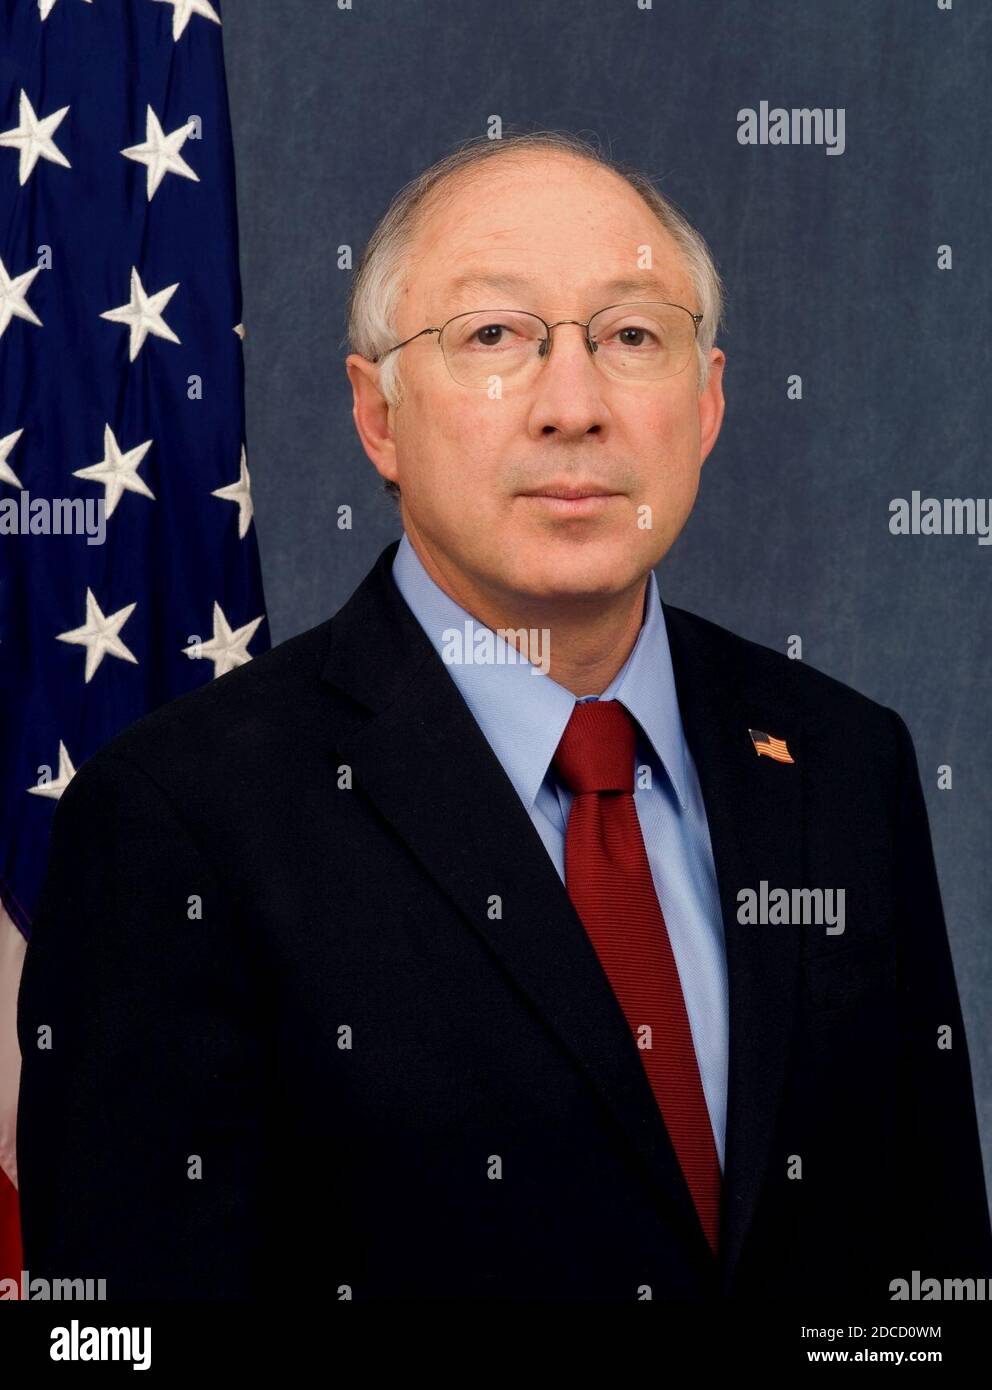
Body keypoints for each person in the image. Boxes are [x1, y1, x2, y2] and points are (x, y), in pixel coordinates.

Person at [16, 131, 991, 1300]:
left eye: (631, 336)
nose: (571, 406)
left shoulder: (840, 763)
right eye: (493, 337)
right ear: (378, 414)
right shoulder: (180, 816)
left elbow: (921, 1290)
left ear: (708, 400)